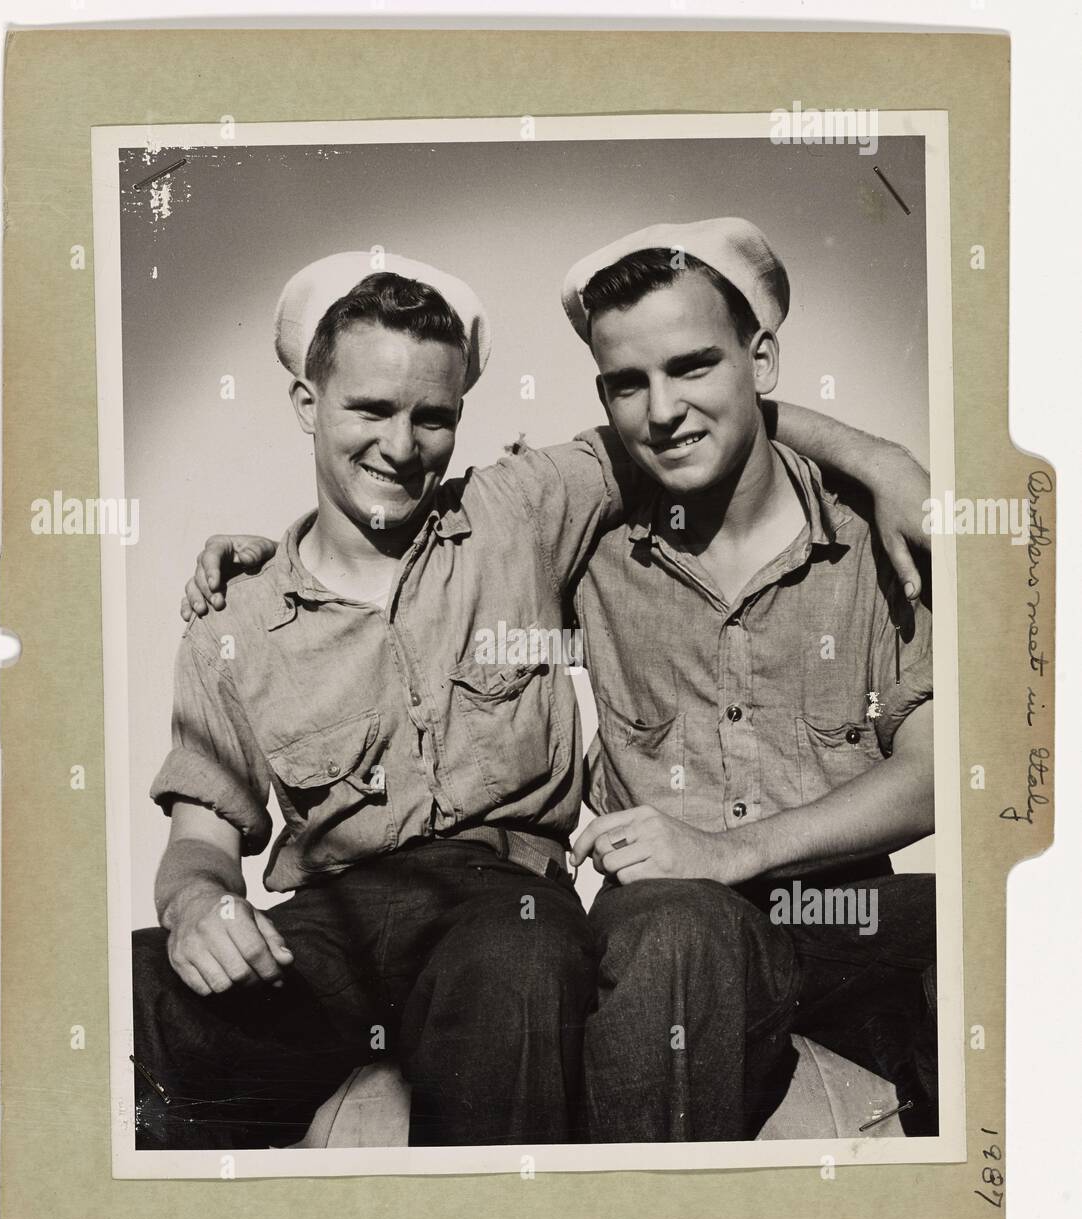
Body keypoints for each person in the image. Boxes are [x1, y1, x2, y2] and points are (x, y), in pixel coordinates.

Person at [169, 239, 932, 1150]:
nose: (400, 445)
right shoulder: (252, 612)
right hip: (505, 914)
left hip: (751, 905)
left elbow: (939, 775)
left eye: (432, 417)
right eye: (368, 408)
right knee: (140, 991)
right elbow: (202, 842)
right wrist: (195, 906)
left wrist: (885, 461)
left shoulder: (870, 544)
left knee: (997, 959)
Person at [562, 219, 937, 1143]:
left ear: (761, 361)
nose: (661, 410)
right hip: (670, 930)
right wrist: (263, 557)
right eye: (627, 383)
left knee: (1000, 930)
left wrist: (734, 851)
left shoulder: (874, 541)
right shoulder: (583, 537)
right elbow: (414, 534)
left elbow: (937, 775)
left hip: (840, 906)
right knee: (679, 935)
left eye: (693, 366)